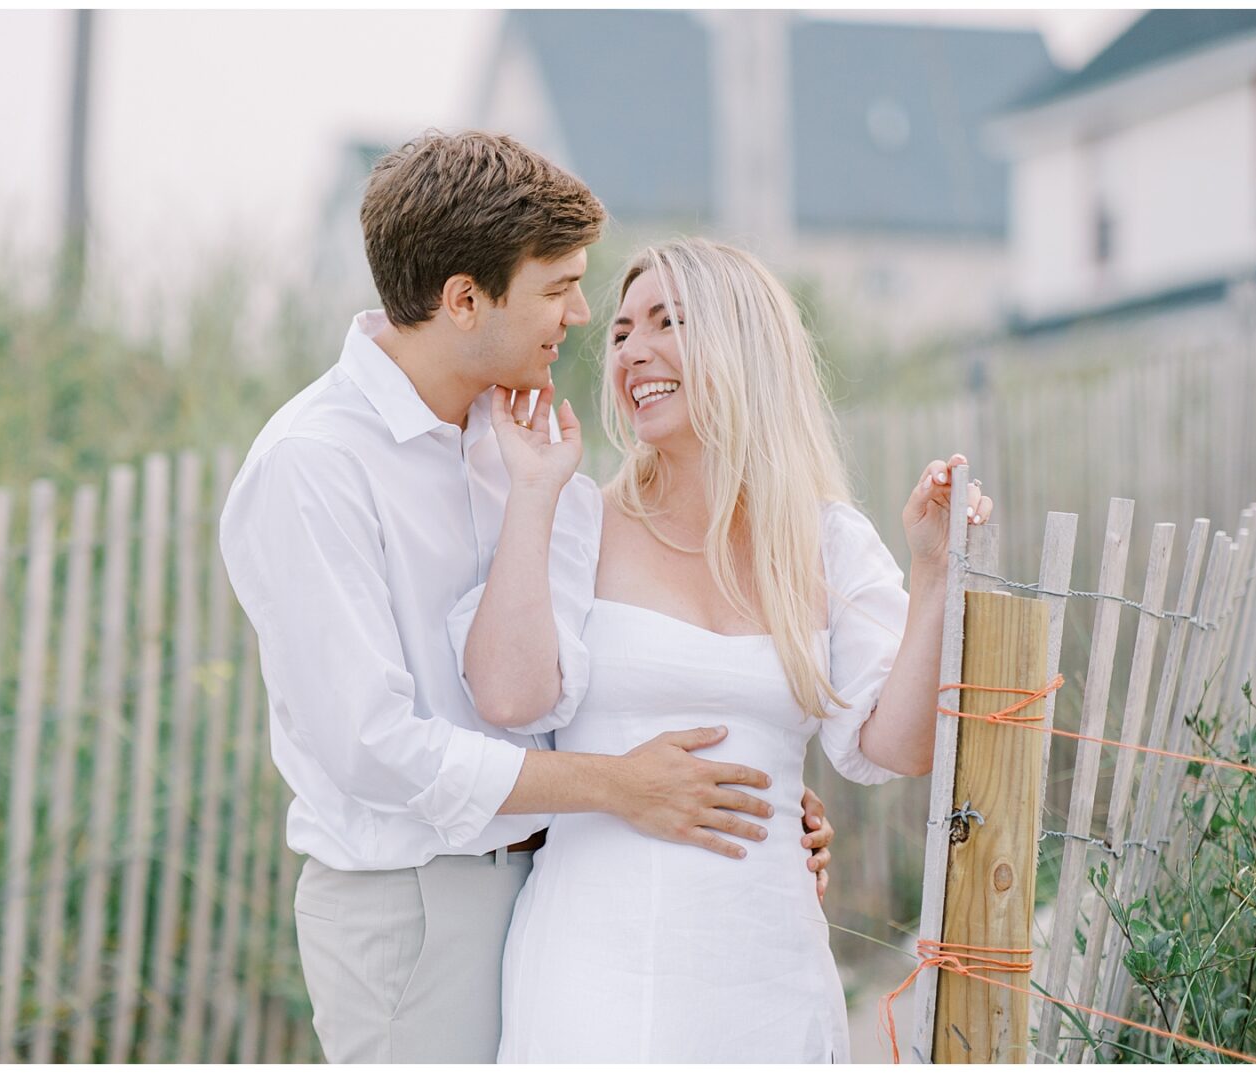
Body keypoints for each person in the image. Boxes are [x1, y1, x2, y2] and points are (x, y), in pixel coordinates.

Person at [218, 132, 835, 1064]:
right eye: (557, 288)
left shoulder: (512, 431)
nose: (583, 316)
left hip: (552, 883)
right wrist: (622, 786)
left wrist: (743, 780)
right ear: (465, 299)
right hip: (416, 906)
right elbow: (375, 748)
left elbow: (556, 679)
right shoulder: (314, 467)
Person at [454, 238, 993, 1062]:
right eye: (625, 330)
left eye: (669, 321)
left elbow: (897, 744)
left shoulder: (825, 539)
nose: (634, 351)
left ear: (743, 346)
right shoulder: (580, 521)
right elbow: (508, 697)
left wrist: (931, 569)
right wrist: (533, 494)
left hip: (763, 962)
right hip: (595, 965)